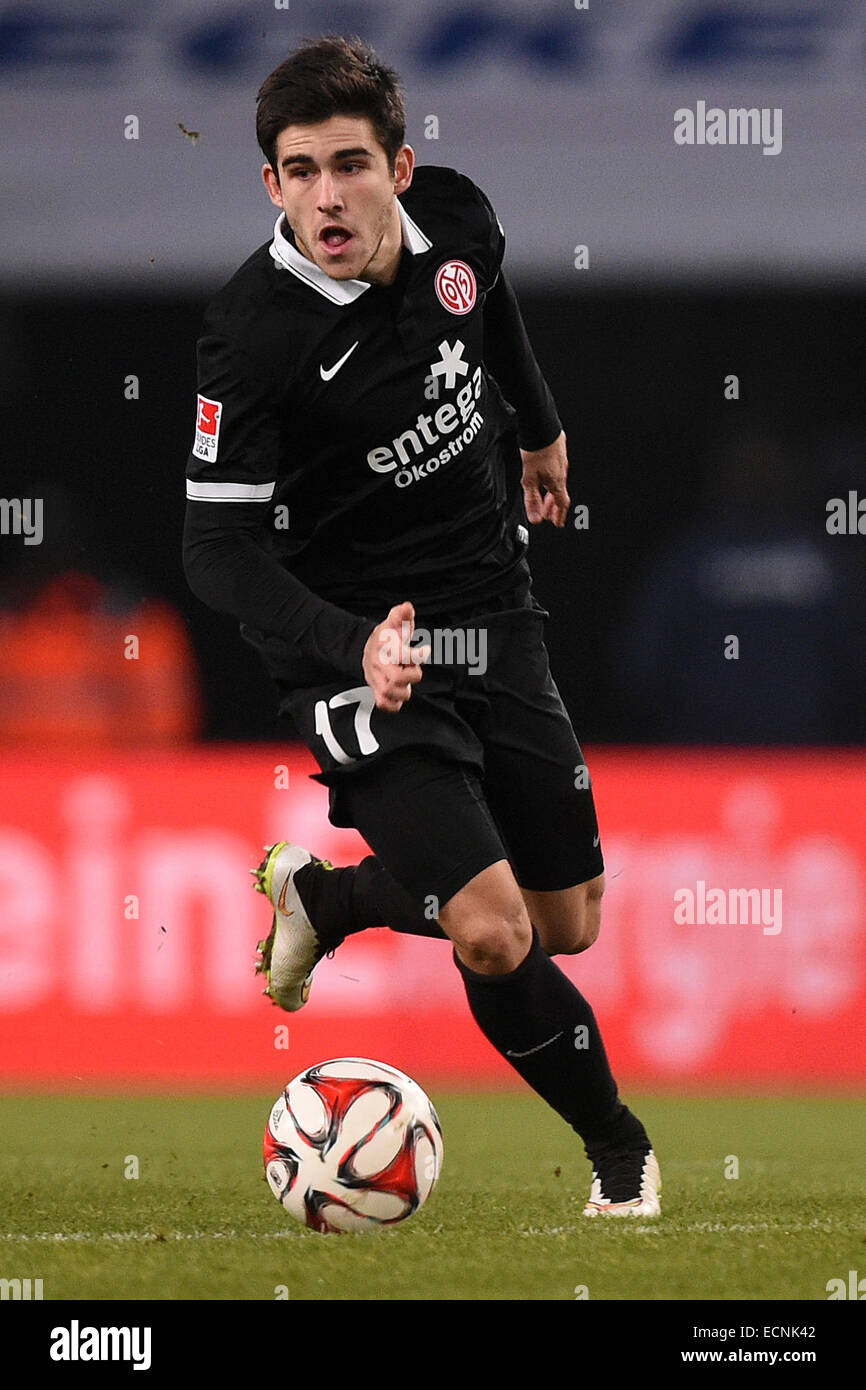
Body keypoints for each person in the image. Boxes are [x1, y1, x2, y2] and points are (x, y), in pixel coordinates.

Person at [183, 35, 660, 1217]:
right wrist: (350, 642)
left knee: (570, 922)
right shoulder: (251, 339)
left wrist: (538, 429)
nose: (326, 196)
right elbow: (215, 549)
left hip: (490, 615)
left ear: (402, 166)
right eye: (299, 172)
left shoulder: (459, 222)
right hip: (356, 658)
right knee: (495, 935)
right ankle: (621, 1155)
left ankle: (332, 899)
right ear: (270, 185)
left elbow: (489, 310)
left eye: (350, 164)